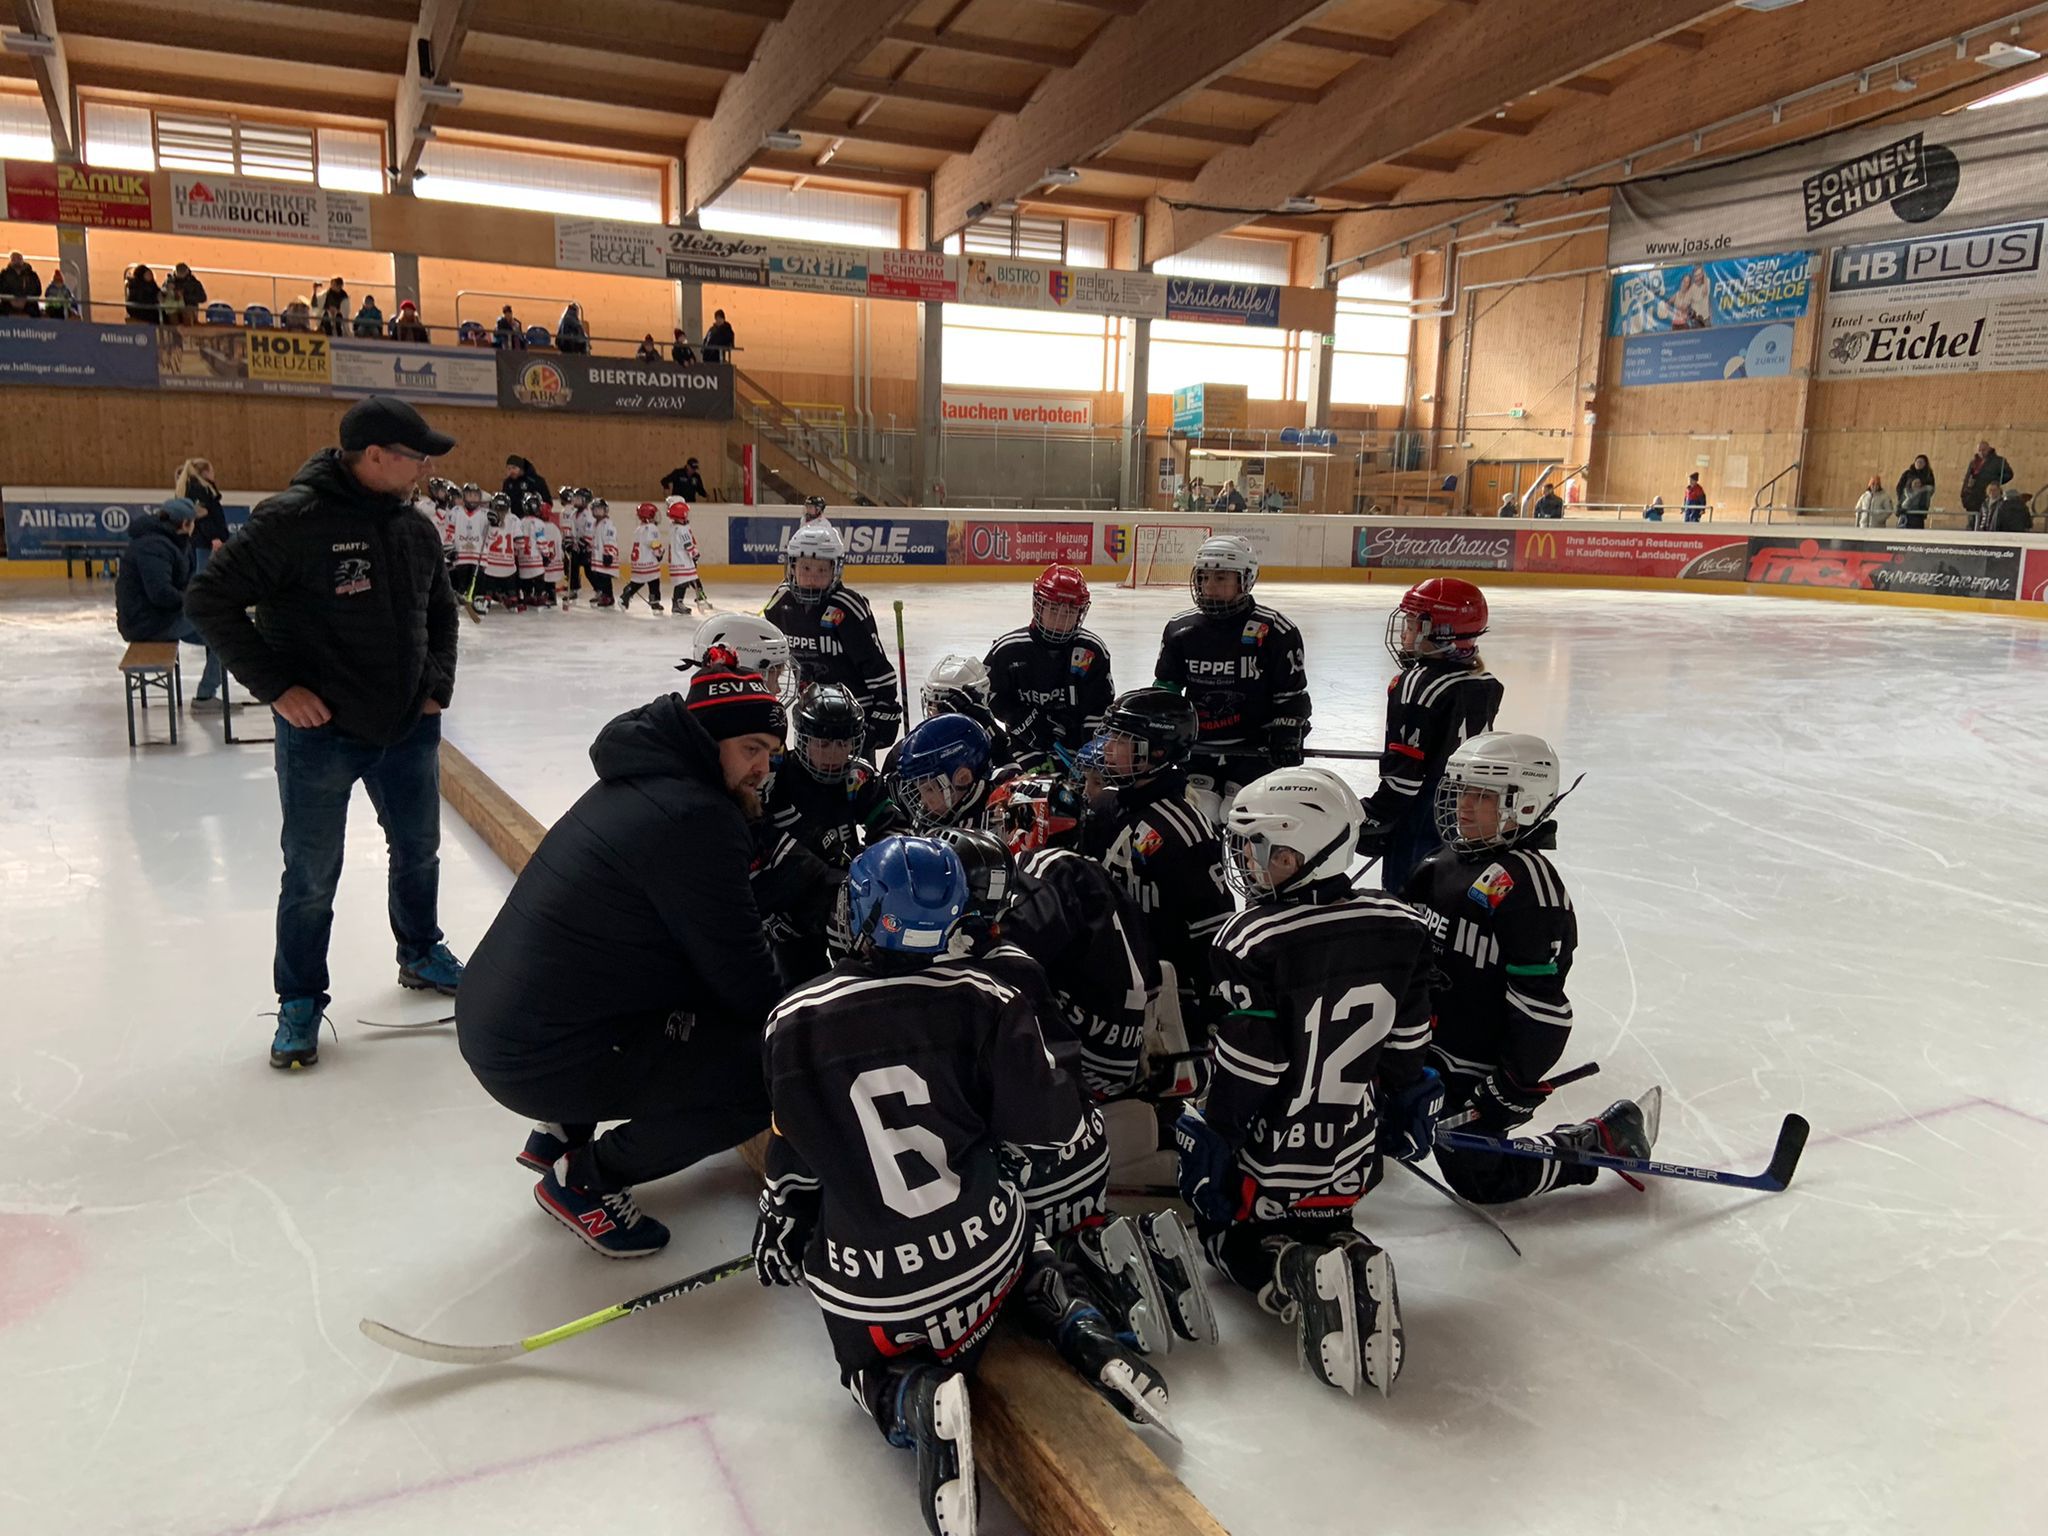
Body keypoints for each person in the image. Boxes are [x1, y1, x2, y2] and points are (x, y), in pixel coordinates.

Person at [753, 837, 1172, 1536]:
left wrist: (784, 1211)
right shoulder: (988, 996)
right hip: (983, 1256)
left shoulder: (793, 1020)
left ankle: (909, 1394)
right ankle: (1076, 1321)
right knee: (1024, 1240)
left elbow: (796, 1144)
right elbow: (1049, 1122)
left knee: (862, 1360)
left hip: (881, 1289)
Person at [459, 669, 788, 1258]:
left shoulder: (643, 773)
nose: (762, 769)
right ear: (710, 740)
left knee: (689, 996)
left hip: (507, 1019)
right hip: (537, 1052)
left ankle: (563, 1124)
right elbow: (745, 981)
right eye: (751, 749)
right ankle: (586, 1179)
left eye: (770, 753)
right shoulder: (697, 818)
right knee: (763, 1076)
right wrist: (811, 1022)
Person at [185, 397, 464, 1069]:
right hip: (323, 736)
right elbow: (209, 601)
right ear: (373, 456)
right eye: (415, 456)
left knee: (418, 850)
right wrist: (278, 689)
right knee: (310, 874)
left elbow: (442, 612)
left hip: (406, 729)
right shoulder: (292, 521)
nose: (424, 468)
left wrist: (434, 690)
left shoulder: (413, 528)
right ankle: (301, 998)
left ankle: (420, 949)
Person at [1177, 767, 1438, 1398]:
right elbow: (1407, 1045)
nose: (1251, 864)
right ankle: (1343, 1242)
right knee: (1323, 1213)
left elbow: (1253, 1067)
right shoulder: (1403, 923)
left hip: (1271, 1151)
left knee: (1222, 1237)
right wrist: (1407, 1101)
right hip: (1350, 1148)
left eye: (1271, 852)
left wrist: (1214, 1134)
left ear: (1321, 852)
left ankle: (1291, 1269)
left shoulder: (1251, 936)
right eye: (1244, 847)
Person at [1402, 733, 1657, 1207]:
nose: (1464, 807)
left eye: (1482, 796)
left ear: (1525, 804)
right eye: (1461, 791)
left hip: (1474, 1071)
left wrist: (1511, 1084)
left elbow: (1542, 1010)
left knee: (1480, 1178)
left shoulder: (1526, 886)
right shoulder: (1437, 865)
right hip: (1419, 1052)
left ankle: (1601, 1139)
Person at [1090, 689, 1232, 1100]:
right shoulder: (1107, 807)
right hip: (1113, 989)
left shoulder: (1185, 831)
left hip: (1164, 1002)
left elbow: (1213, 935)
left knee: (1158, 1109)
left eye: (1121, 740)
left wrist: (1205, 1015)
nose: (1108, 749)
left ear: (1156, 753)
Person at [1360, 578, 1503, 893]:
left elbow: (1405, 779)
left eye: (1412, 624)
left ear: (1439, 630)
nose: (1404, 633)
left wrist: (1373, 815)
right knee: (1447, 898)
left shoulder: (1415, 684)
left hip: (1418, 821)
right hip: (1462, 816)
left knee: (1408, 900)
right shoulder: (1485, 681)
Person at [1152, 535, 1310, 803]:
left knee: (1239, 811)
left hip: (1254, 749)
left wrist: (1287, 732)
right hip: (1199, 748)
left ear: (1245, 579)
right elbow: (1166, 689)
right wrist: (1159, 726)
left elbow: (1292, 698)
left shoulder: (1276, 630)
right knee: (1201, 810)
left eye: (1221, 577)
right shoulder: (1180, 630)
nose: (1209, 587)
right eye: (1204, 577)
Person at [765, 523, 904, 747]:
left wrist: (885, 709)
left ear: (835, 570)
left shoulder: (846, 608)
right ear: (791, 567)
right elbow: (770, 656)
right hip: (810, 714)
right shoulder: (780, 604)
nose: (812, 578)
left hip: (853, 716)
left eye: (822, 570)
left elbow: (876, 666)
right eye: (806, 568)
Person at [983, 565, 1114, 768]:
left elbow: (1099, 709)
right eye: (1054, 608)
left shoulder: (1092, 651)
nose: (1062, 618)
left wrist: (1090, 756)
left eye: (1070, 610)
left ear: (1081, 612)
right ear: (1039, 606)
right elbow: (989, 697)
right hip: (1023, 747)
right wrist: (1020, 718)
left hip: (1077, 750)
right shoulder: (1008, 651)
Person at [115, 497, 222, 702]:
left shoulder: (177, 544)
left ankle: (207, 694)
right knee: (223, 632)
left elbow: (185, 585)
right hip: (146, 624)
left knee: (220, 634)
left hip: (160, 618)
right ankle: (206, 697)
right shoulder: (153, 546)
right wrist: (195, 602)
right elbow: (161, 594)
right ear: (184, 524)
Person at [173, 458, 231, 704]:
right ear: (205, 471)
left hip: (207, 545)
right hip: (209, 546)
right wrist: (215, 537)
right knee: (206, 579)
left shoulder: (197, 488)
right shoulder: (199, 489)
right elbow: (203, 515)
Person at [910, 654, 1012, 768]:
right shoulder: (910, 750)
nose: (935, 714)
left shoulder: (991, 746)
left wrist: (996, 740)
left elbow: (1014, 780)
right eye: (931, 704)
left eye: (943, 707)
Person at [665, 498, 711, 615]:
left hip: (676, 561)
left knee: (683, 582)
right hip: (683, 561)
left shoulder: (673, 527)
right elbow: (688, 545)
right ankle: (678, 603)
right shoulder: (682, 529)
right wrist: (695, 554)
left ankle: (678, 602)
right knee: (683, 583)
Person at [620, 501, 666, 611]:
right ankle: (655, 602)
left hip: (638, 563)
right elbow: (653, 543)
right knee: (654, 580)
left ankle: (625, 595)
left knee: (637, 582)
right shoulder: (651, 528)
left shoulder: (638, 529)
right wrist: (659, 553)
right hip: (648, 561)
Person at [451, 482, 487, 610]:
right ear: (464, 497)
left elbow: (492, 531)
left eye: (475, 496)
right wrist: (449, 546)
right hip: (461, 552)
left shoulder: (484, 514)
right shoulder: (456, 512)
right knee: (461, 576)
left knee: (477, 578)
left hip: (478, 554)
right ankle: (461, 595)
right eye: (469, 495)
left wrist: (495, 521)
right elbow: (449, 531)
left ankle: (477, 598)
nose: (472, 498)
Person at [1961, 440, 2014, 523]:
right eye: (1979, 450)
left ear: (1989, 449)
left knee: (1987, 521)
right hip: (1973, 498)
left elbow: (2009, 474)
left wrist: (1996, 482)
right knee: (1972, 523)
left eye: (1984, 450)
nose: (1981, 452)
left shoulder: (1999, 461)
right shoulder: (1973, 463)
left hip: (1989, 496)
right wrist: (1964, 494)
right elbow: (1967, 479)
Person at [480, 493, 518, 608]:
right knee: (511, 584)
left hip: (490, 566)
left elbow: (482, 539)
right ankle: (512, 597)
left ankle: (488, 596)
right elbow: (519, 543)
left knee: (488, 582)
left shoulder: (485, 516)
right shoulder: (514, 519)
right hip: (509, 567)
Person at [586, 496, 619, 607]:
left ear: (605, 510)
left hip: (604, 556)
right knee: (599, 576)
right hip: (597, 558)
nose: (597, 511)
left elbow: (610, 539)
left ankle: (608, 596)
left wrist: (609, 554)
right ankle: (604, 595)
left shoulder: (607, 524)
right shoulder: (596, 524)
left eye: (600, 509)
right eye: (595, 509)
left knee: (605, 578)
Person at [0, 251, 40, 317]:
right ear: (11, 261)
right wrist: (11, 300)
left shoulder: (32, 275)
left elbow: (37, 290)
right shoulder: (4, 274)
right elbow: (2, 288)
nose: (16, 261)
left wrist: (24, 300)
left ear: (22, 260)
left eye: (18, 258)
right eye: (14, 259)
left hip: (29, 305)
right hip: (8, 305)